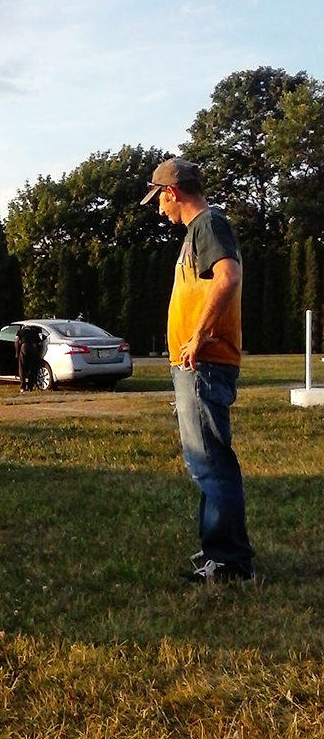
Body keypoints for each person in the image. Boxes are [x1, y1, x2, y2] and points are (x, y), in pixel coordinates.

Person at [140, 157, 254, 583]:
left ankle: (229, 562)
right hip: (195, 363)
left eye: (159, 200)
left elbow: (228, 277)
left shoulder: (208, 223)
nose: (159, 210)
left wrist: (199, 335)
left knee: (210, 461)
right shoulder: (198, 230)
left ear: (172, 192)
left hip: (204, 362)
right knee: (204, 459)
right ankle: (218, 551)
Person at [15, 324, 44, 392]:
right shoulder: (35, 332)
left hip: (24, 347)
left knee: (22, 367)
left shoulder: (20, 332)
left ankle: (22, 387)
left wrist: (17, 353)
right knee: (32, 368)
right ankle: (30, 387)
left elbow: (16, 341)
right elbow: (40, 342)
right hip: (34, 348)